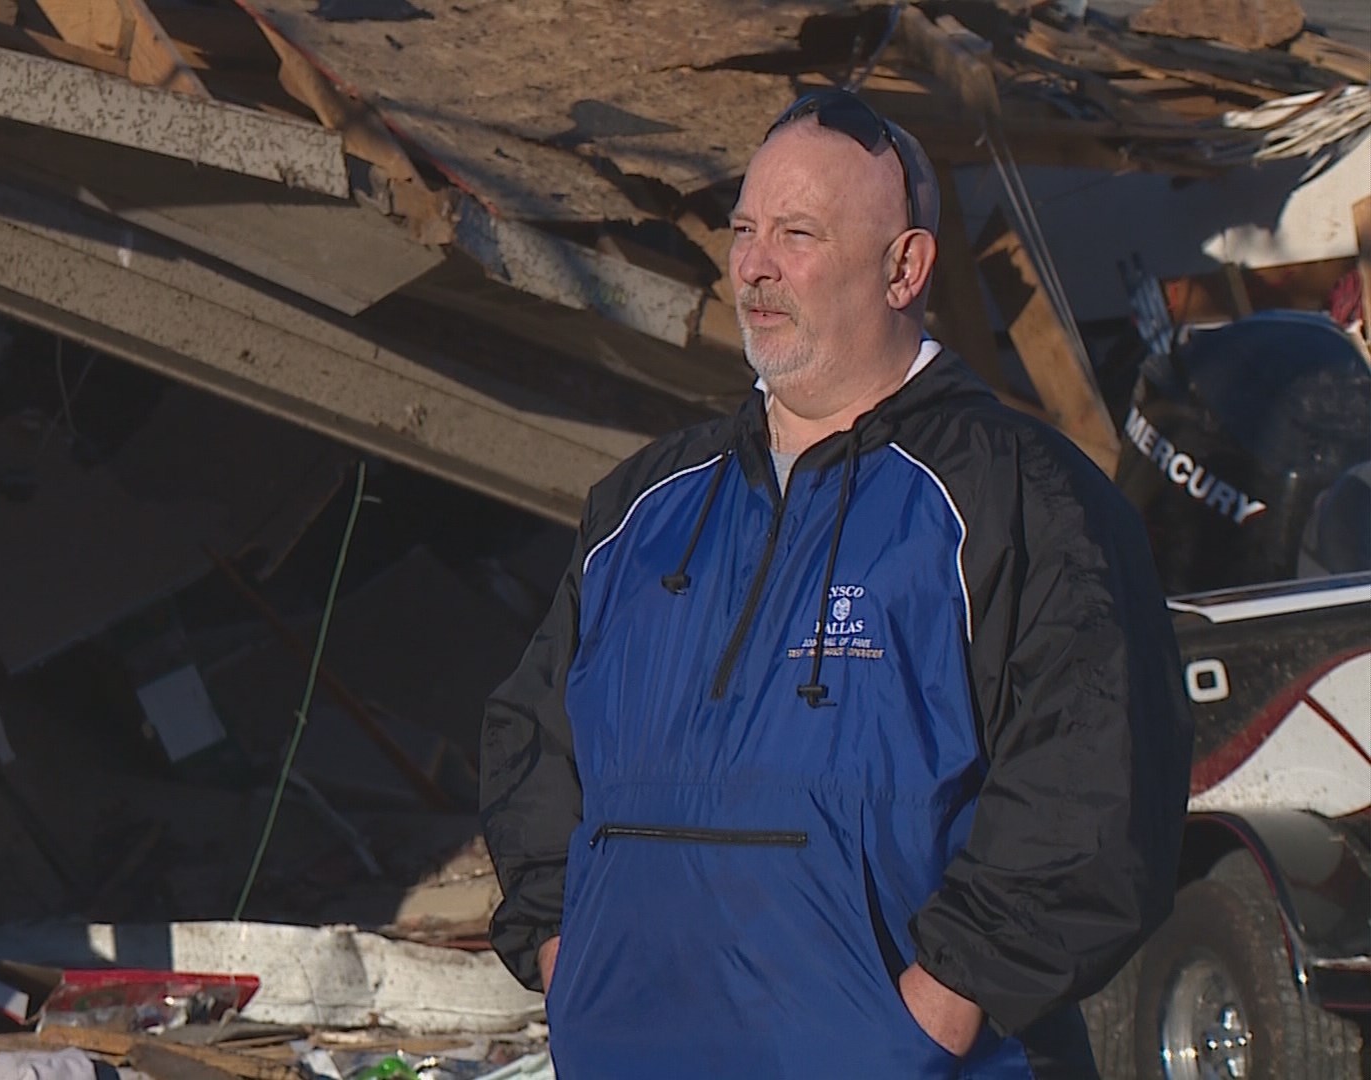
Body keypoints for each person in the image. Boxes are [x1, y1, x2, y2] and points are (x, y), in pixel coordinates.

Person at [479, 90, 1193, 1078]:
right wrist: (572, 965)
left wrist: (931, 1015)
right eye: (744, 232)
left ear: (904, 267)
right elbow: (531, 745)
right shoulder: (641, 510)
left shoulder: (1020, 498)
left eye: (798, 234)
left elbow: (1098, 786)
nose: (755, 267)